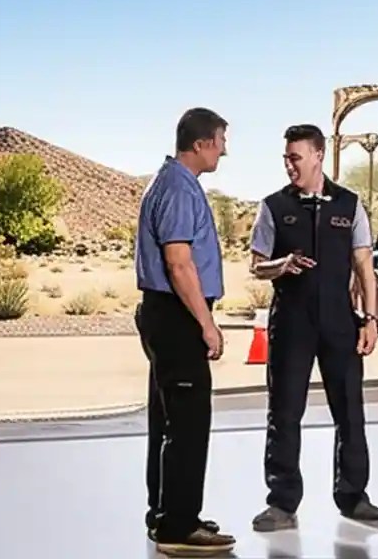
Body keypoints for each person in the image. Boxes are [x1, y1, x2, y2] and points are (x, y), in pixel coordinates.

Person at [247, 124, 378, 532]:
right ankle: (281, 502)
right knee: (284, 412)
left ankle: (353, 496)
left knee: (349, 411)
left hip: (340, 322)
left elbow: (365, 266)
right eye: (286, 158)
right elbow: (256, 265)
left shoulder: (350, 205)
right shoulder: (272, 206)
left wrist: (370, 320)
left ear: (318, 156)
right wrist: (282, 265)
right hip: (291, 322)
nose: (289, 164)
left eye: (296, 157)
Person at [134, 107, 235, 555]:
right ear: (201, 144)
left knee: (169, 420)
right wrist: (206, 324)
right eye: (221, 141)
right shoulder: (177, 188)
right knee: (189, 424)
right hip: (177, 316)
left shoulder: (173, 182)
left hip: (167, 314)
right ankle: (179, 526)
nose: (224, 149)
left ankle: (168, 513)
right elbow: (178, 262)